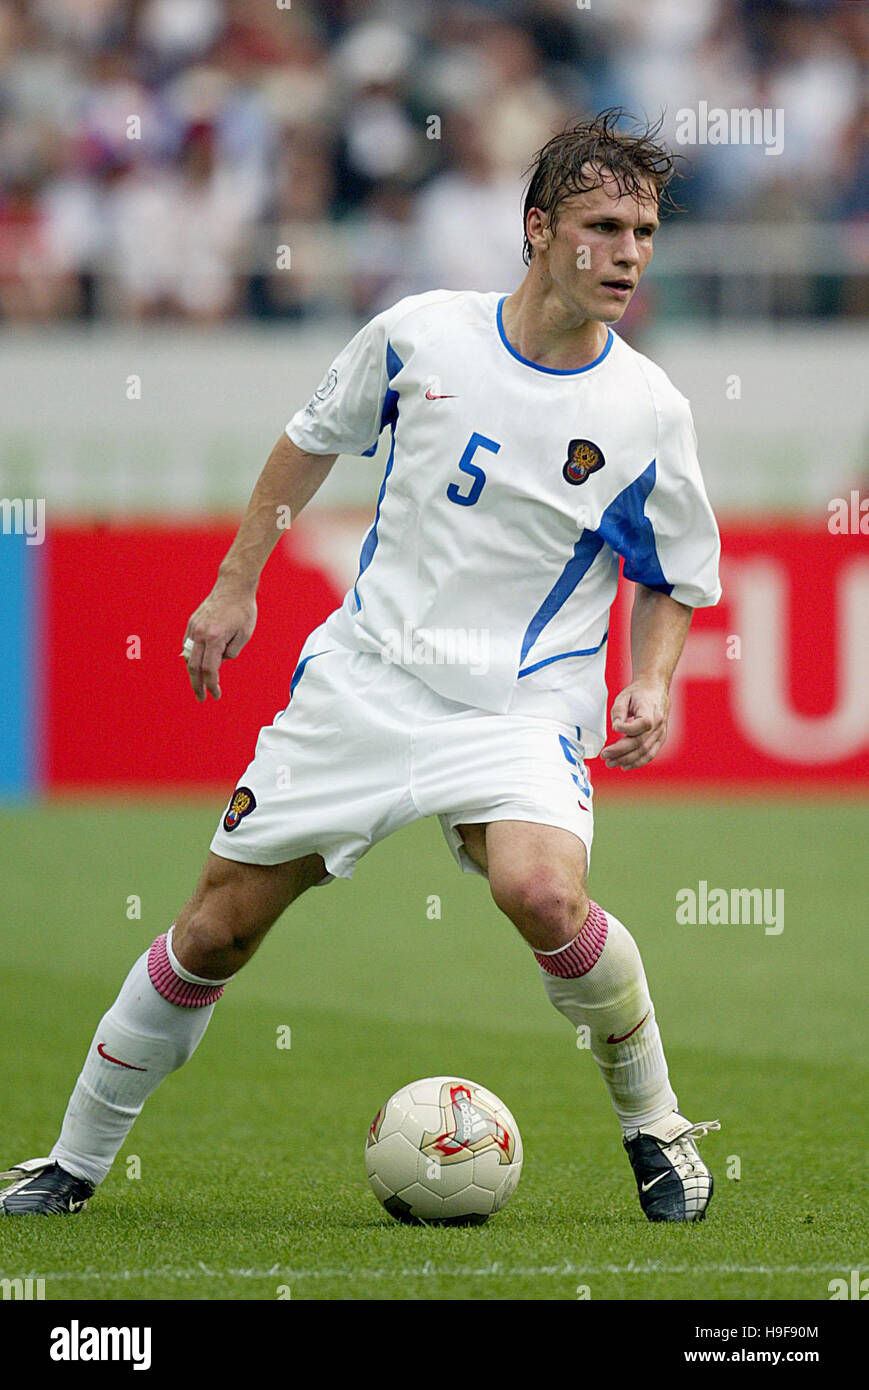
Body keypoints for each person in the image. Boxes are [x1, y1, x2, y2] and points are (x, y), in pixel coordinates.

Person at [1, 111, 722, 1223]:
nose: (628, 253)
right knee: (214, 930)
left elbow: (676, 571)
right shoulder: (421, 336)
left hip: (519, 709)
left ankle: (657, 1130)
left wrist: (652, 677)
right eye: (601, 226)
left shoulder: (646, 411)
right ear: (538, 230)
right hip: (366, 683)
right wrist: (237, 579)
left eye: (642, 231)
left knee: (542, 890)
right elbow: (312, 435)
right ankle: (74, 1160)